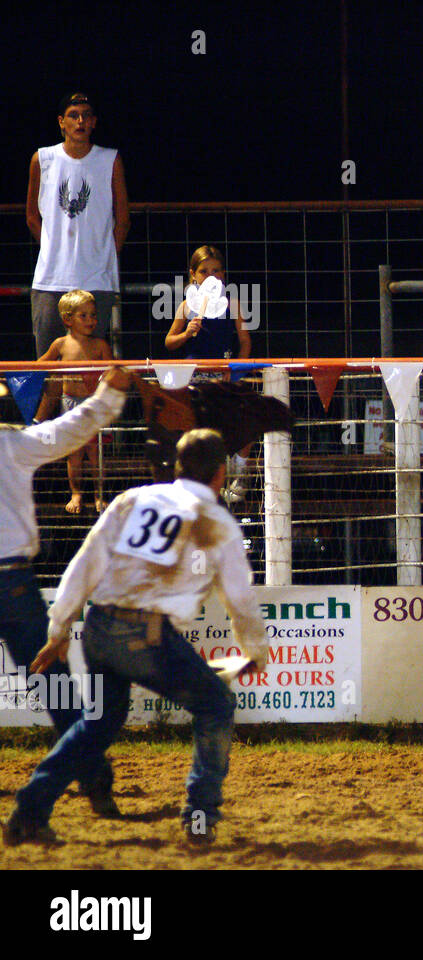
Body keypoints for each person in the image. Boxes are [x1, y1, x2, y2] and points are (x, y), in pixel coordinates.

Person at [3, 428, 269, 847]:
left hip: (99, 627)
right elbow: (240, 597)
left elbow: (86, 561)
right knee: (216, 706)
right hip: (146, 636)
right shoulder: (217, 521)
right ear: (220, 475)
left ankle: (29, 811)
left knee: (99, 722)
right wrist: (255, 651)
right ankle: (199, 818)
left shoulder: (134, 499)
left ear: (177, 467)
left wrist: (59, 629)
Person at [0, 366, 132, 823]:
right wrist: (110, 396)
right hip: (11, 579)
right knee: (56, 688)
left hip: (12, 579)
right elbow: (71, 429)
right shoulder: (11, 445)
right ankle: (97, 786)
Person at [26, 92, 130, 358]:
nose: (80, 121)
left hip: (95, 278)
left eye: (86, 115)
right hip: (51, 279)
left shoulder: (110, 159)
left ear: (94, 122)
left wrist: (105, 255)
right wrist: (53, 247)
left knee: (91, 365)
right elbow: (32, 216)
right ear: (61, 122)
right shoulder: (42, 159)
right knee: (47, 364)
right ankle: (44, 402)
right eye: (73, 115)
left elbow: (123, 218)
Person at [164, 245, 255, 501]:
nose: (211, 276)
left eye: (216, 271)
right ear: (193, 275)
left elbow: (245, 341)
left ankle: (239, 474)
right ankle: (197, 482)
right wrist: (186, 333)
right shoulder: (186, 306)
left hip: (224, 373)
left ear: (223, 275)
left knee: (244, 419)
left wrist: (235, 368)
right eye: (204, 271)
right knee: (196, 432)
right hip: (194, 377)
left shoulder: (233, 304)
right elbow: (169, 342)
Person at [34, 291, 117, 514]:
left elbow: (114, 372)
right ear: (67, 320)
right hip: (69, 403)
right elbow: (38, 365)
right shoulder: (60, 345)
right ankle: (76, 493)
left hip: (93, 403)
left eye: (93, 315)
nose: (91, 320)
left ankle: (99, 494)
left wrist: (99, 379)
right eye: (84, 316)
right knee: (75, 453)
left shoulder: (100, 345)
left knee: (95, 452)